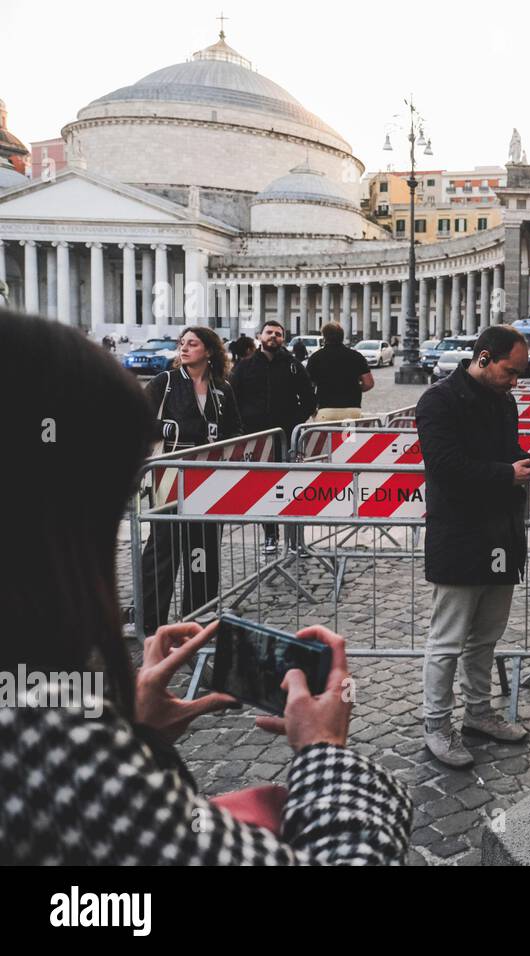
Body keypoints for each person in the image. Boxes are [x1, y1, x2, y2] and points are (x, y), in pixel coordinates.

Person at [1, 308, 412, 864]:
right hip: (182, 487)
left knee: (198, 558)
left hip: (203, 487)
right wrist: (325, 752)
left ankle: (197, 611)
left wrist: (138, 736)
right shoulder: (41, 730)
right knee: (164, 555)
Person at [415, 325, 530, 767]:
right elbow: (445, 466)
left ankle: (478, 712)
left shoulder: (503, 400)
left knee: (487, 637)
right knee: (448, 639)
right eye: (510, 371)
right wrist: (508, 473)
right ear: (483, 358)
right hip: (459, 533)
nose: (515, 381)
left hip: (501, 533)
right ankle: (436, 724)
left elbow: (505, 451)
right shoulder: (437, 401)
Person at [138, 326, 243, 635]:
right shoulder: (166, 382)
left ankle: (197, 614)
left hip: (208, 477)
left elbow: (235, 427)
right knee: (164, 547)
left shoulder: (222, 388)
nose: (184, 348)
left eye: (192, 344)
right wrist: (167, 428)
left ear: (208, 351)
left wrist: (228, 447)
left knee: (204, 546)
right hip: (169, 475)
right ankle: (150, 619)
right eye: (182, 343)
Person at [230, 320, 317, 554]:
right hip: (256, 437)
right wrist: (242, 425)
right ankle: (270, 534)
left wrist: (295, 421)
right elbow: (232, 399)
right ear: (260, 336)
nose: (273, 336)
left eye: (278, 334)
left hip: (286, 436)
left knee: (291, 486)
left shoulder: (293, 366)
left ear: (283, 339)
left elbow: (309, 399)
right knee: (262, 488)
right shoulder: (244, 367)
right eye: (269, 332)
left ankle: (295, 538)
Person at [307, 322, 374, 421]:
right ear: (342, 337)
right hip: (352, 410)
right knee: (352, 432)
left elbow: (308, 387)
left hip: (326, 410)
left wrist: (312, 411)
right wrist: (355, 389)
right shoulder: (356, 356)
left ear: (324, 338)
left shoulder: (315, 357)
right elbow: (369, 383)